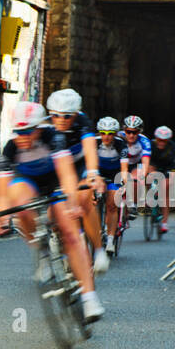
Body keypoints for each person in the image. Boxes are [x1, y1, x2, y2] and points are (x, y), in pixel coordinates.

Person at [0, 101, 103, 323]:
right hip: (27, 182)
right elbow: (2, 193)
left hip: (55, 182)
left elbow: (68, 175)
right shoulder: (10, 148)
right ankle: (41, 249)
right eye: (17, 131)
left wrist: (72, 203)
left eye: (27, 131)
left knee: (70, 232)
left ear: (39, 128)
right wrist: (1, 218)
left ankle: (89, 298)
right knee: (20, 203)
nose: (21, 136)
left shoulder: (54, 138)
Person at [46, 88, 108, 274]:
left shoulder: (83, 122)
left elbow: (89, 148)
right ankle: (57, 236)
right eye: (55, 116)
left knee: (85, 198)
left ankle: (98, 251)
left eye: (67, 117)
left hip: (79, 165)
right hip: (57, 167)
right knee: (52, 210)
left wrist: (93, 174)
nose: (61, 121)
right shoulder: (45, 126)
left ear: (75, 114)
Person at [94, 117, 125, 254]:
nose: (106, 137)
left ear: (116, 134)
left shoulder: (120, 144)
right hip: (98, 173)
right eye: (103, 133)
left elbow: (124, 168)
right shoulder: (94, 143)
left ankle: (111, 240)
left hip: (114, 175)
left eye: (110, 133)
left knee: (112, 204)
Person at [148, 126, 175, 235]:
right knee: (149, 177)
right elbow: (147, 161)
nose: (161, 142)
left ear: (168, 140)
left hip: (168, 168)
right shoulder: (151, 145)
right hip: (154, 165)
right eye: (159, 140)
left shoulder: (173, 147)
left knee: (165, 189)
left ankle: (164, 222)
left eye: (164, 140)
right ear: (156, 138)